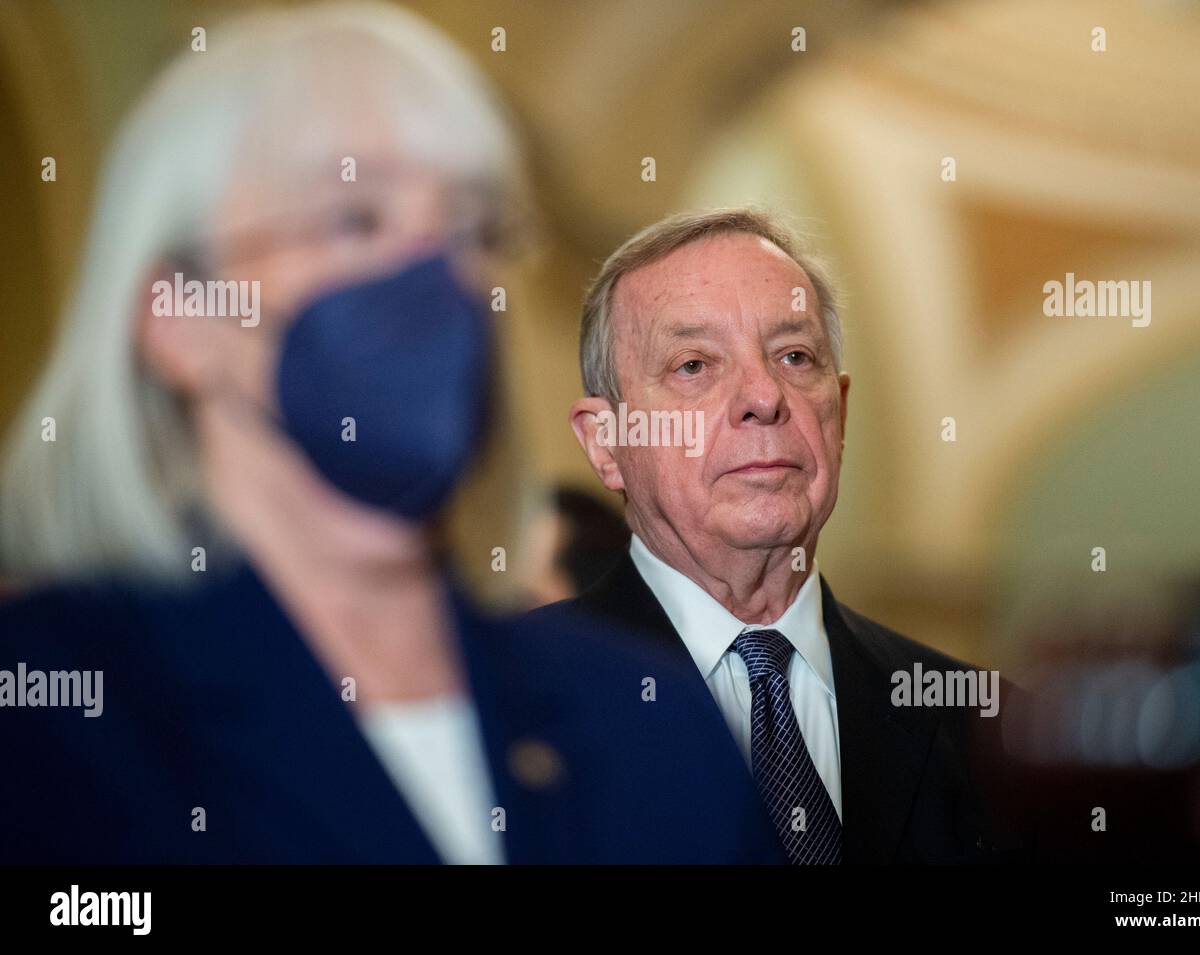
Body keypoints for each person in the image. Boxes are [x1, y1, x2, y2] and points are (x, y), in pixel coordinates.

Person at [0, 4, 783, 865]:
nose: (434, 278)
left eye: (473, 230)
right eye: (355, 218)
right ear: (179, 316)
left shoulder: (653, 722)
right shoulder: (53, 712)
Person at [539, 208, 1029, 863]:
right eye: (693, 365)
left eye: (795, 356)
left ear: (840, 412)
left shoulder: (995, 732)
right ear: (607, 442)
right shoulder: (510, 698)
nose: (765, 395)